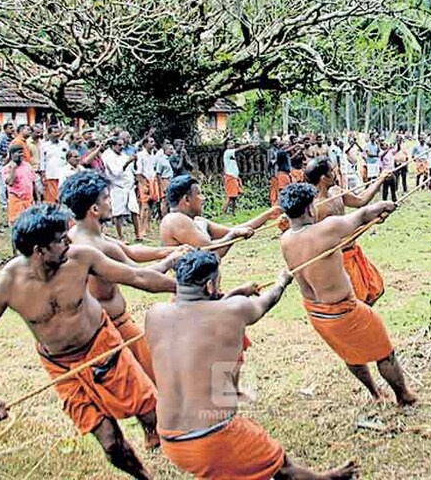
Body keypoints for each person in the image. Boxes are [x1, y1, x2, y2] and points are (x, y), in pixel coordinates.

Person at [0, 205, 177, 479]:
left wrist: (185, 289)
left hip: (103, 347)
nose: (69, 242)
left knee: (152, 416)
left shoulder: (81, 258)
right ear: (39, 250)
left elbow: (137, 276)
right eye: (61, 239)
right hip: (62, 367)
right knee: (111, 445)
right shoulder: (7, 284)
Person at [146, 252, 357, 480]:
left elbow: (200, 314)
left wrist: (236, 292)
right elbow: (265, 302)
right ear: (209, 286)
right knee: (281, 466)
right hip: (211, 438)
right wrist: (281, 281)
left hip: (171, 441)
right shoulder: (233, 311)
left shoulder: (155, 314)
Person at [278, 183, 416, 406]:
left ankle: (375, 393)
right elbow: (362, 214)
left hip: (316, 313)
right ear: (310, 209)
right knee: (384, 353)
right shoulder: (327, 228)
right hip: (344, 311)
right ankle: (404, 397)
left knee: (350, 352)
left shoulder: (285, 240)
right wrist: (386, 205)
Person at [60, 171, 188, 382]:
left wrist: (167, 251)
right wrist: (172, 264)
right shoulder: (93, 246)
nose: (110, 203)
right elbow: (141, 277)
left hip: (105, 327)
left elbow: (131, 251)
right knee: (157, 383)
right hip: (111, 329)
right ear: (94, 209)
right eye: (106, 198)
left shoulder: (82, 234)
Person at [305, 157, 390, 305]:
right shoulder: (318, 208)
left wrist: (380, 179)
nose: (335, 173)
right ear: (323, 178)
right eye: (331, 171)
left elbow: (361, 200)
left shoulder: (337, 192)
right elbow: (336, 239)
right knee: (352, 302)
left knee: (369, 293)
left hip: (354, 252)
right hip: (339, 259)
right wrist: (370, 221)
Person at [159, 175, 275, 255]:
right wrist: (233, 235)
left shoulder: (197, 221)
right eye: (199, 194)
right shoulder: (175, 220)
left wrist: (268, 214)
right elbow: (211, 253)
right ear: (187, 199)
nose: (203, 199)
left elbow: (235, 229)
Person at [101, 137, 139, 241]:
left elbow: (132, 170)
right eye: (119, 145)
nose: (121, 147)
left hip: (129, 186)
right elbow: (116, 173)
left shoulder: (123, 155)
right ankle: (120, 237)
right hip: (117, 186)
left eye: (122, 145)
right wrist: (127, 162)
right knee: (118, 213)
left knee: (134, 210)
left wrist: (134, 162)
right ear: (112, 146)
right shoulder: (108, 157)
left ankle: (138, 235)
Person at [4, 144, 38, 226]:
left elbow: (33, 183)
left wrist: (36, 199)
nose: (21, 155)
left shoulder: (27, 165)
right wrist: (13, 169)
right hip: (16, 201)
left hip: (28, 201)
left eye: (22, 152)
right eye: (18, 152)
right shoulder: (7, 168)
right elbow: (10, 183)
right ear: (12, 154)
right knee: (17, 225)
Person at [38, 126, 70, 203]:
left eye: (58, 132)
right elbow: (42, 161)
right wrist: (43, 175)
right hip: (50, 174)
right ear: (49, 134)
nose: (57, 134)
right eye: (55, 132)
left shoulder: (64, 144)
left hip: (63, 174)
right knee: (51, 198)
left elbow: (68, 158)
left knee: (62, 195)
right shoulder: (44, 146)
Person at [222, 140, 243, 215]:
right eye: (231, 143)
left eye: (233, 143)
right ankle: (224, 212)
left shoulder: (231, 153)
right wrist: (248, 145)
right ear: (227, 145)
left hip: (234, 176)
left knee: (234, 196)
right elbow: (239, 150)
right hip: (230, 177)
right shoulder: (228, 152)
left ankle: (233, 212)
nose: (233, 144)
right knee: (230, 196)